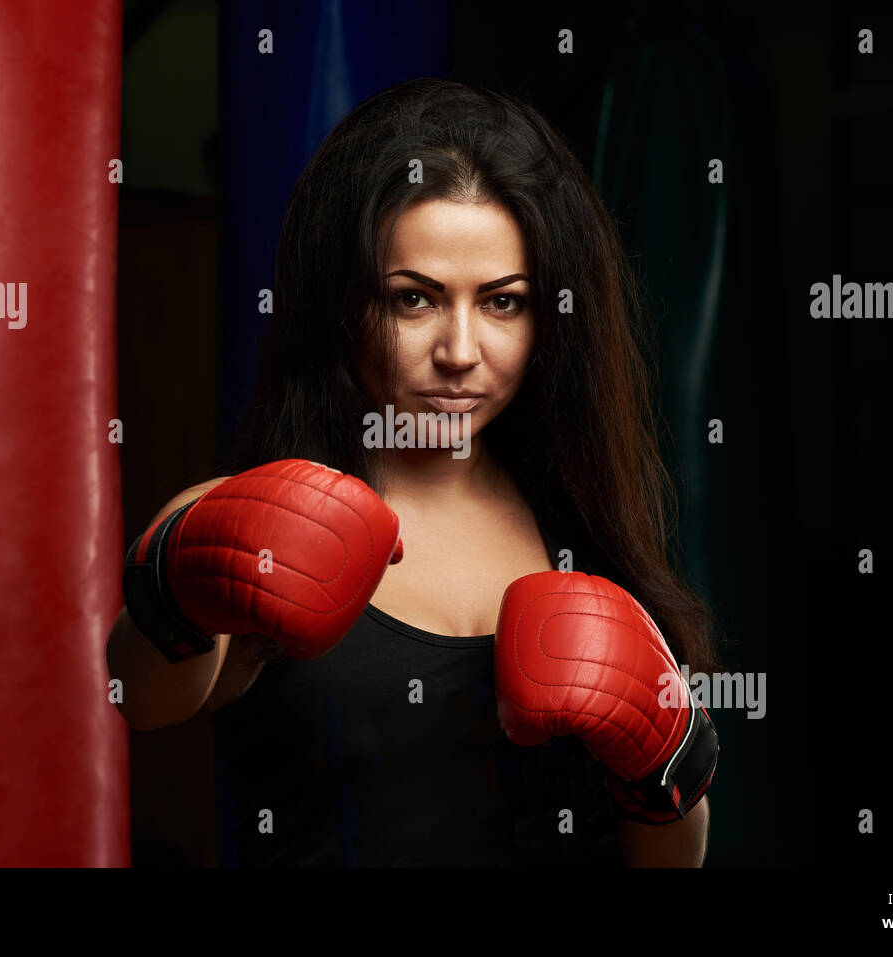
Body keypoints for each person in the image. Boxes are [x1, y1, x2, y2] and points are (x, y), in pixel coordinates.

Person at [106, 77, 720, 867]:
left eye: (502, 302)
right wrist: (184, 578)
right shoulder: (255, 515)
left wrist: (661, 760)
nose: (460, 351)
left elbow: (669, 860)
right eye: (413, 300)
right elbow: (139, 696)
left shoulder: (581, 520)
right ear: (343, 302)